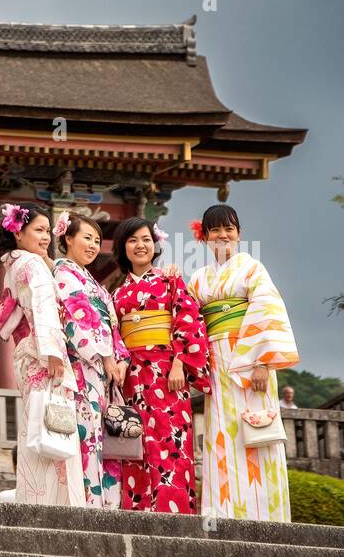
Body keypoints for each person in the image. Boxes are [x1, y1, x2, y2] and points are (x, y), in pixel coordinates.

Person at [187, 205, 298, 522]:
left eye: (229, 229)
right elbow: (190, 319)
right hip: (215, 364)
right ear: (205, 236)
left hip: (249, 362)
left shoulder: (252, 269)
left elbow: (267, 311)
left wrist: (264, 362)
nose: (223, 235)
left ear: (238, 234)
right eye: (216, 230)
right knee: (221, 434)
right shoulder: (199, 279)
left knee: (257, 430)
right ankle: (223, 511)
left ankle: (266, 515)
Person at [111, 216, 210, 513]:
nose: (140, 246)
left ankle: (175, 513)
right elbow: (115, 337)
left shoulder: (171, 281)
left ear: (155, 245)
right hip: (133, 377)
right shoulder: (117, 294)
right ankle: (138, 513)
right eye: (132, 241)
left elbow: (189, 321)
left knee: (171, 444)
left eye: (145, 239)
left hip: (166, 374)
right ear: (122, 248)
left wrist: (180, 362)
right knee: (134, 446)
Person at [0, 202, 85, 506]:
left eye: (47, 231)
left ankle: (35, 497)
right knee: (55, 427)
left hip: (28, 355)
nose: (45, 237)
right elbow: (44, 307)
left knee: (36, 428)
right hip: (44, 355)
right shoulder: (31, 265)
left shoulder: (14, 265)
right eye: (39, 230)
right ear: (18, 233)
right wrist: (53, 353)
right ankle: (58, 503)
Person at [51, 210, 129, 509]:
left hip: (102, 371)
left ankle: (105, 502)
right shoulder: (63, 274)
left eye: (97, 240)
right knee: (85, 435)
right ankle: (86, 503)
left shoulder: (91, 281)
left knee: (100, 438)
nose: (94, 246)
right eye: (86, 238)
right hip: (82, 368)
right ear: (67, 239)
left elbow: (111, 324)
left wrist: (120, 359)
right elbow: (78, 321)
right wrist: (107, 357)